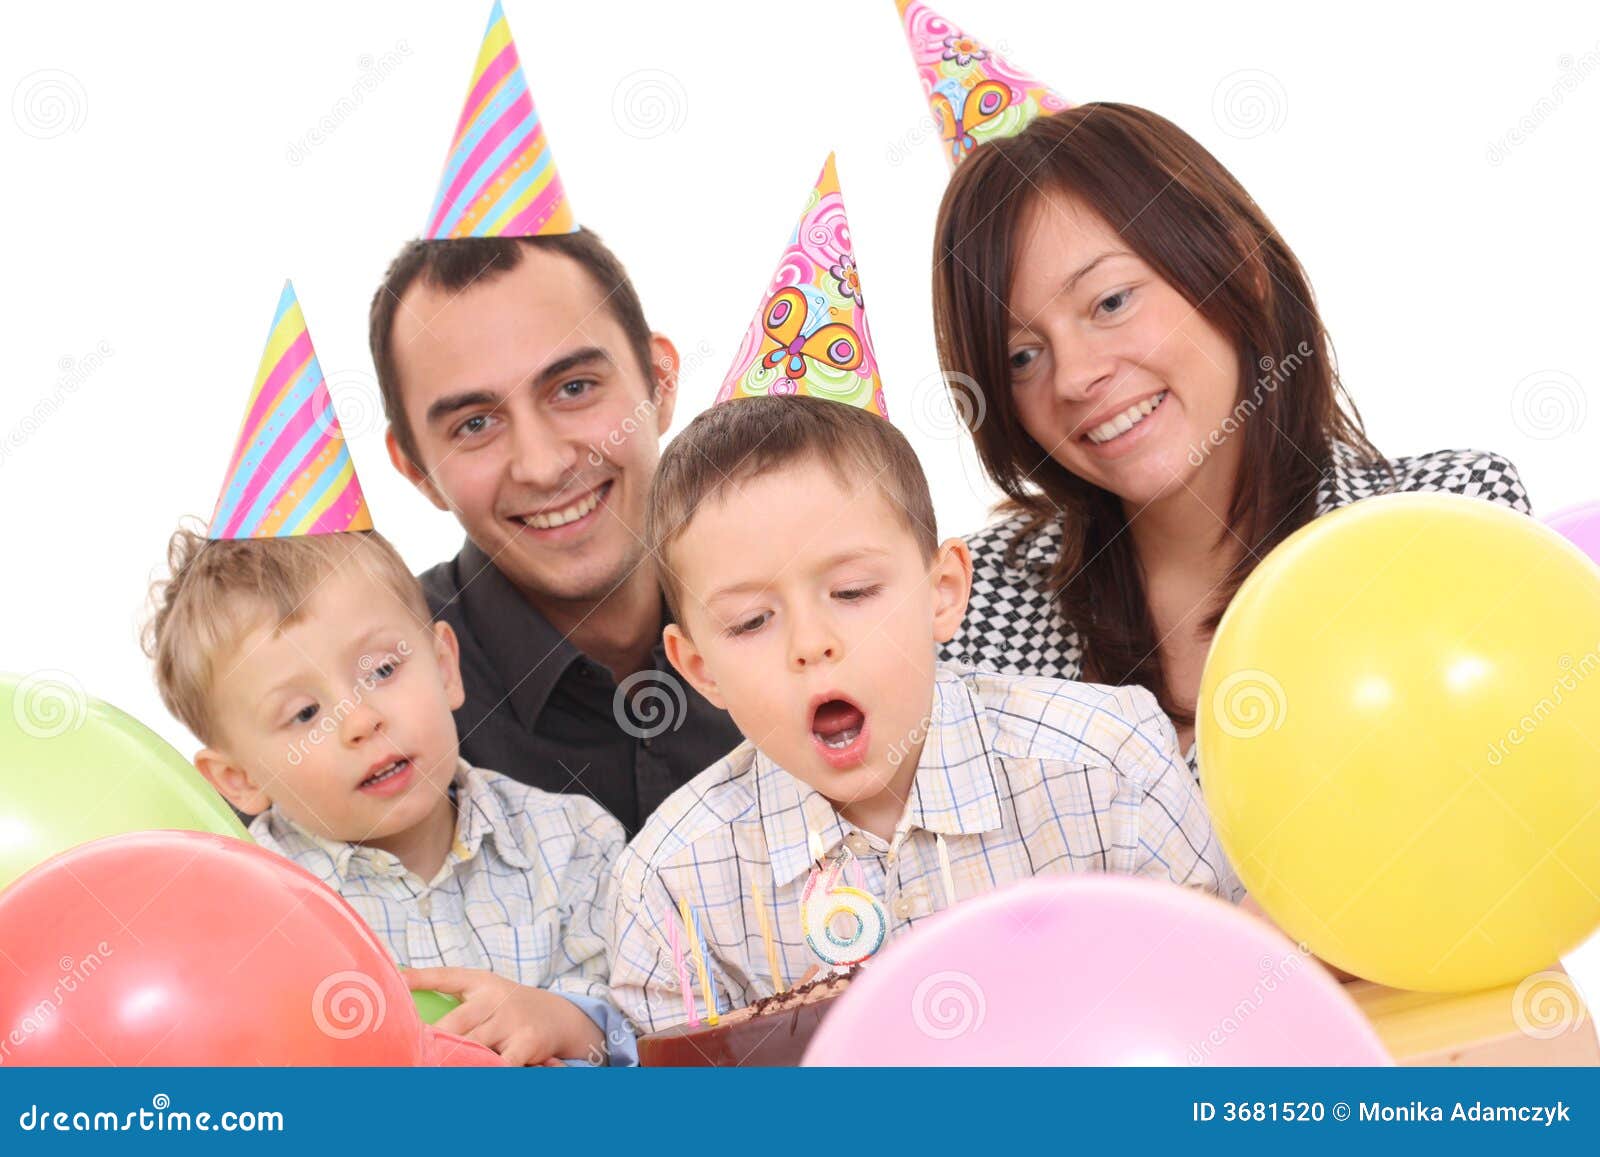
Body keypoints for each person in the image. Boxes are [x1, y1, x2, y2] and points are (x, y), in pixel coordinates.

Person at [606, 162, 1236, 1034]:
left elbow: (1233, 1023)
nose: (810, 644)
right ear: (696, 664)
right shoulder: (671, 885)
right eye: (752, 620)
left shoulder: (1107, 765)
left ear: (944, 591)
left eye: (854, 590)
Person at [144, 283, 633, 1066]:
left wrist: (566, 1020)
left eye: (381, 668)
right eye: (304, 714)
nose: (361, 720)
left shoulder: (571, 843)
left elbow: (664, 1014)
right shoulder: (246, 909)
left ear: (444, 665)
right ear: (236, 778)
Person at [369, 2, 740, 837]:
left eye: (573, 388)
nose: (540, 463)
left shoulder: (808, 620)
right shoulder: (366, 719)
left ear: (661, 378)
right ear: (415, 468)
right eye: (473, 424)